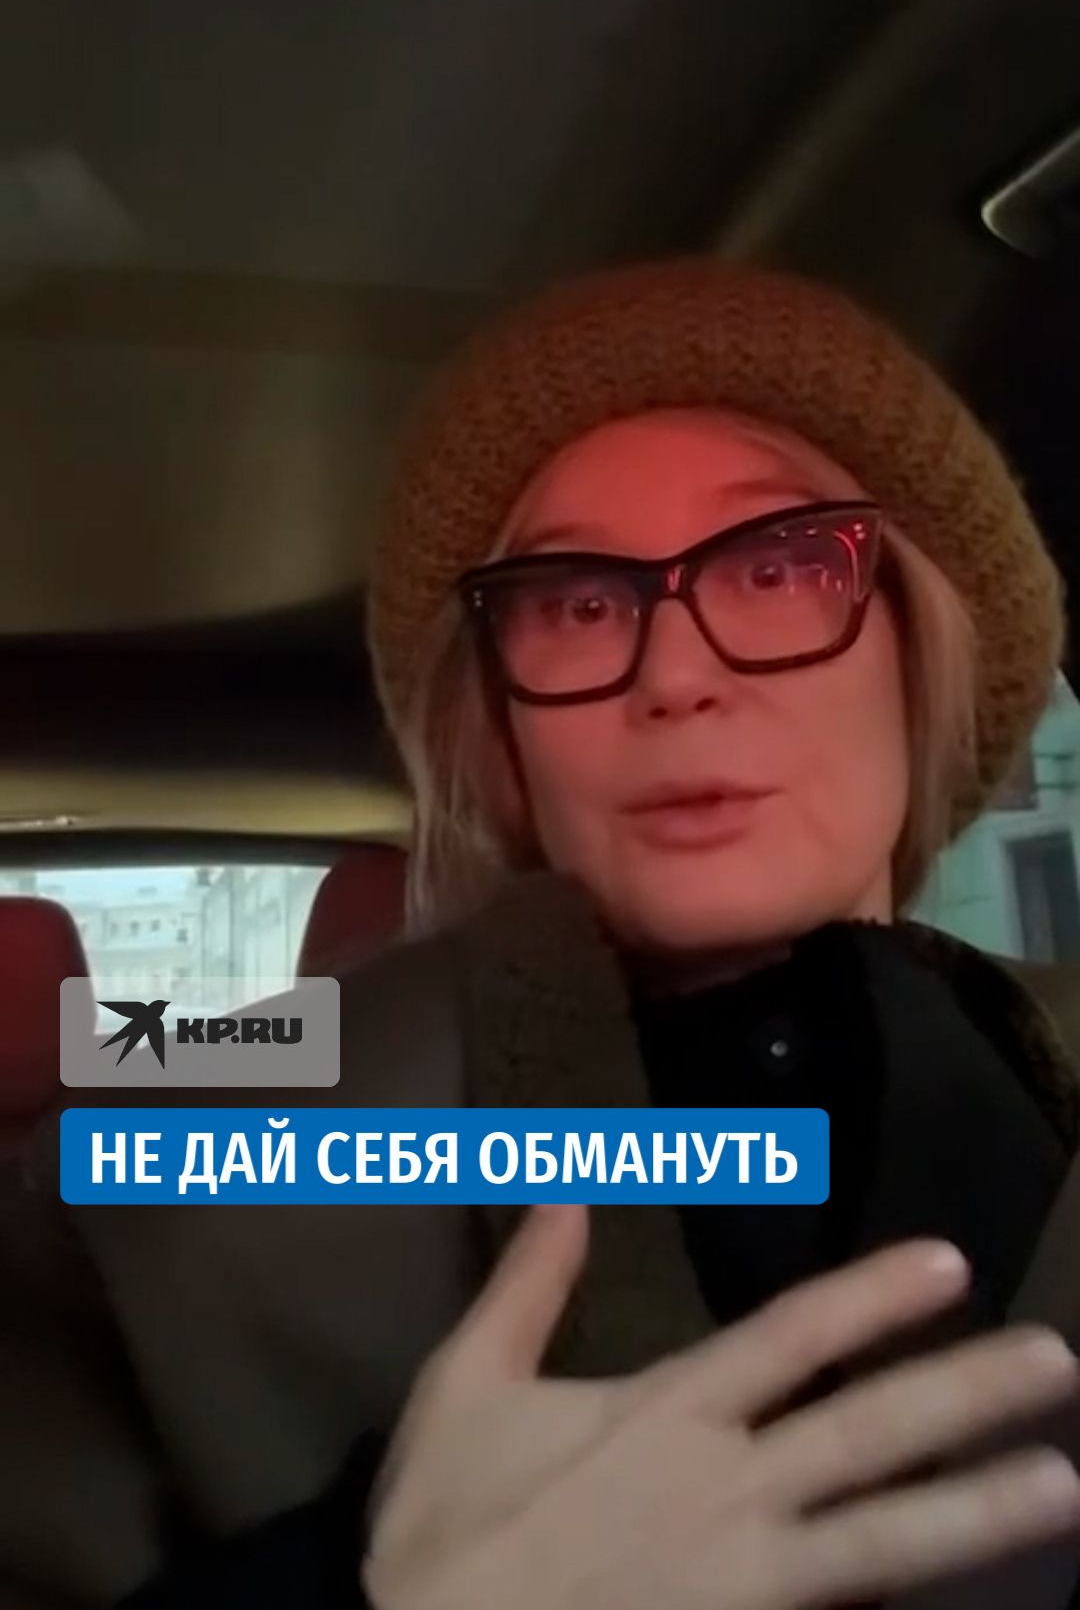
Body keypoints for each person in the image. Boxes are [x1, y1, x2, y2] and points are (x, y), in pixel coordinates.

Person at [4, 260, 1080, 1610]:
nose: (675, 675)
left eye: (777, 566)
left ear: (922, 644)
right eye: (576, 602)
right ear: (506, 734)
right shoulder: (223, 1130)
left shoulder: (1040, 1044)